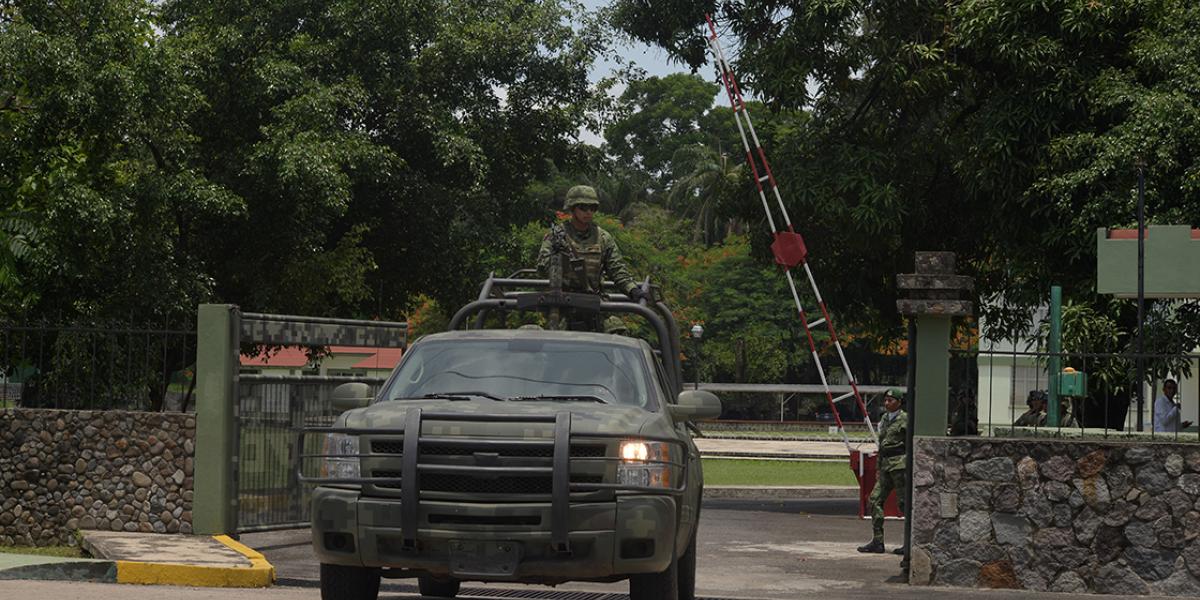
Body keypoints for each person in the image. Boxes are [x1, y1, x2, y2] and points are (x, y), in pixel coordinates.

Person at [537, 185, 643, 300]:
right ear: (572, 208)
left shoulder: (603, 238)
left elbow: (617, 269)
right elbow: (542, 269)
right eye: (583, 207)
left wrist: (632, 289)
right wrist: (558, 257)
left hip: (592, 302)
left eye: (592, 208)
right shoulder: (556, 236)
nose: (588, 212)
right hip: (562, 304)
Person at [858, 387, 908, 554]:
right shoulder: (884, 419)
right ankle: (878, 541)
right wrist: (879, 467)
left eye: (891, 400)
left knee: (903, 504)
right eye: (885, 400)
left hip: (900, 465)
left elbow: (909, 445)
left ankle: (910, 543)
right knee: (874, 499)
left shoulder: (905, 419)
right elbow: (881, 445)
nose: (887, 403)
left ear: (899, 403)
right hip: (886, 464)